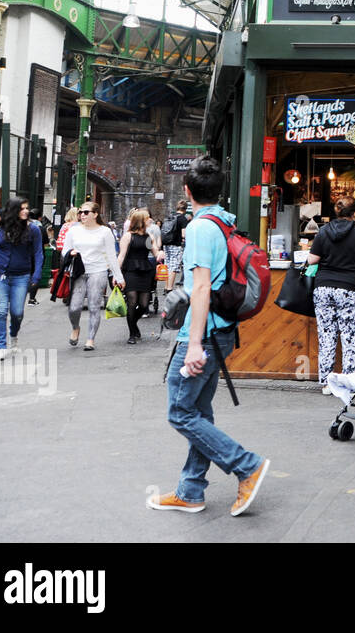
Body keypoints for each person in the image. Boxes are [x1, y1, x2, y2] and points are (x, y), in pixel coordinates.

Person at [149, 156, 269, 515]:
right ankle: (190, 490)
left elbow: (200, 289)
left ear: (187, 191)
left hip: (203, 335)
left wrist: (194, 345)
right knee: (199, 410)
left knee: (180, 412)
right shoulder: (222, 222)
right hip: (222, 330)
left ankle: (247, 466)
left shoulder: (201, 229)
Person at [307, 196, 355, 384]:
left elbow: (311, 260)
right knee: (350, 336)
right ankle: (348, 382)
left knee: (326, 336)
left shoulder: (324, 231)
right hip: (350, 288)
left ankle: (326, 382)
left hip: (324, 287)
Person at [0, 197, 44, 360]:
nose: (26, 211)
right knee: (0, 311)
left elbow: (38, 253)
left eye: (26, 208)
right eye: (22, 208)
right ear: (13, 210)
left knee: (17, 312)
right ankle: (1, 346)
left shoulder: (33, 229)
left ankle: (13, 335)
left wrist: (36, 274)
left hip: (21, 276)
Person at [61, 202, 124, 351]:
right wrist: (71, 253)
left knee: (94, 306)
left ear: (95, 214)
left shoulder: (105, 232)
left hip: (98, 270)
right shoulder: (73, 231)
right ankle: (75, 327)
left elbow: (111, 255)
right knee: (74, 307)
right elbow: (64, 251)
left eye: (86, 212)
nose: (82, 215)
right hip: (79, 271)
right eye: (81, 212)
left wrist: (118, 276)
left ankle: (90, 339)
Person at [117, 209, 162, 344]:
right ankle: (132, 333)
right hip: (130, 270)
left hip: (145, 270)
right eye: (148, 218)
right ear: (141, 221)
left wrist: (159, 254)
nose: (150, 220)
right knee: (132, 301)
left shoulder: (148, 237)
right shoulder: (128, 236)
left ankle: (134, 324)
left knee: (143, 304)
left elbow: (155, 252)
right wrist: (116, 274)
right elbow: (122, 255)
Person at [162, 199, 190, 292]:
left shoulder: (170, 216)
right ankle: (169, 288)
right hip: (176, 245)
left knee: (167, 265)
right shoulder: (182, 218)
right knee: (173, 267)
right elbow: (183, 234)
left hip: (166, 244)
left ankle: (166, 286)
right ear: (185, 209)